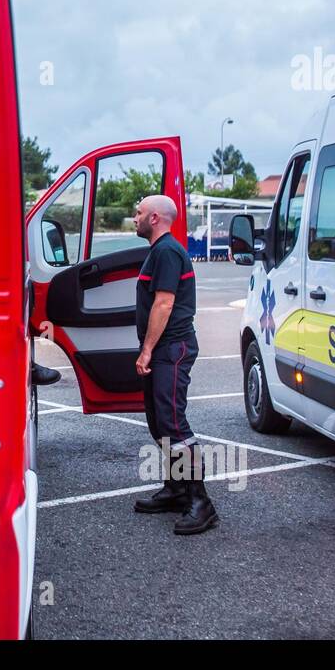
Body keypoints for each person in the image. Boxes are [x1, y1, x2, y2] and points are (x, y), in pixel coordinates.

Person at [130, 193, 218, 535]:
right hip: (164, 348)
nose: (134, 218)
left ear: (155, 218)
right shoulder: (160, 251)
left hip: (172, 348)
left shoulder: (167, 251)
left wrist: (147, 349)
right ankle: (177, 489)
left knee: (174, 424)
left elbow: (164, 304)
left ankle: (202, 502)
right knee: (159, 421)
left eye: (139, 213)